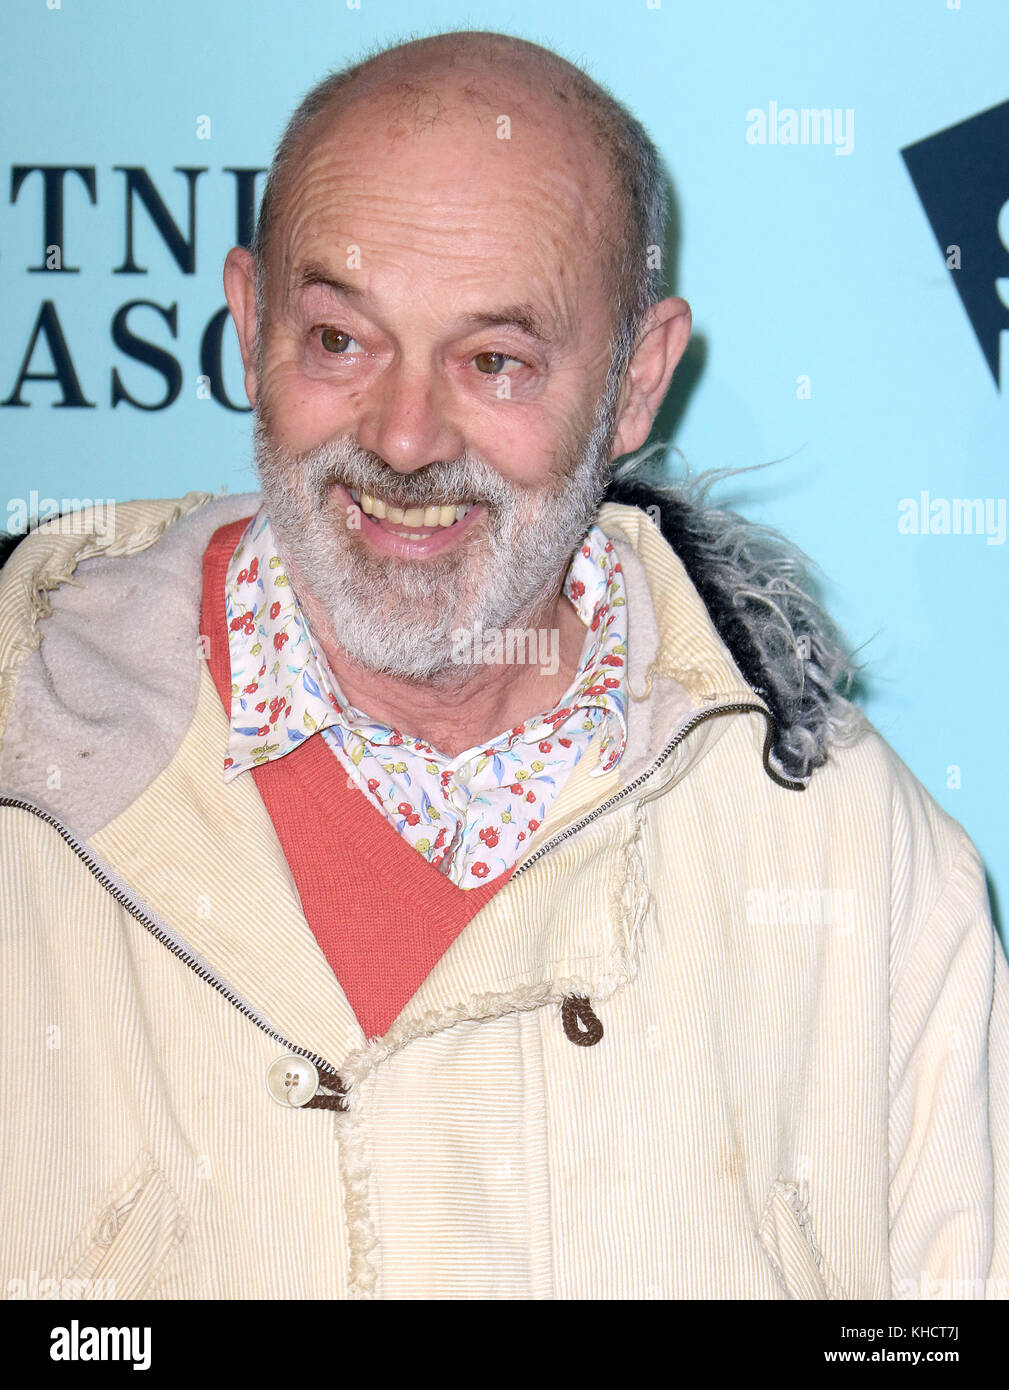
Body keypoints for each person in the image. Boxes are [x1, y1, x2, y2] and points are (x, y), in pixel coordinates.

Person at [0, 30, 1005, 1302]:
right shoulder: (19, 776)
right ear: (249, 324)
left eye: (495, 363)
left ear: (635, 385)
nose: (405, 439)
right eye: (339, 341)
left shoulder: (857, 862)